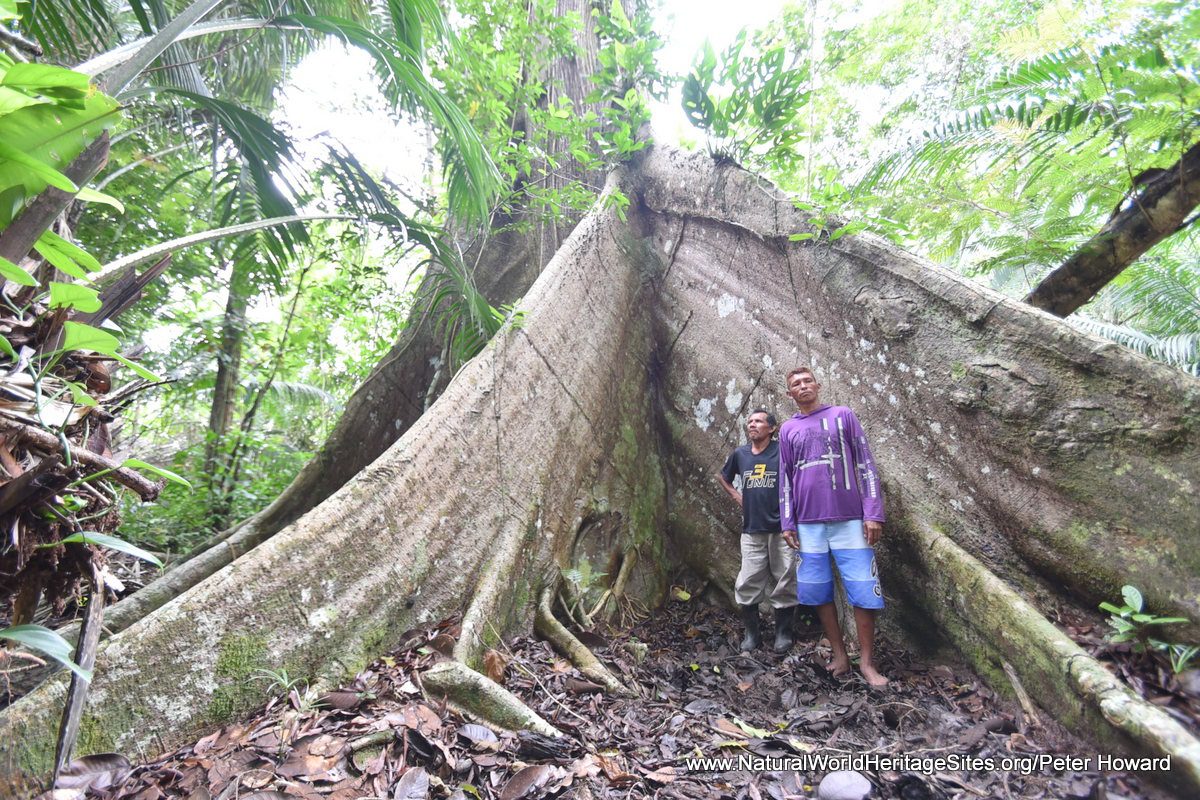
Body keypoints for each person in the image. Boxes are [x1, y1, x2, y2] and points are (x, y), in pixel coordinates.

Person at [778, 367, 888, 687]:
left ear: (818, 385)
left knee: (864, 590)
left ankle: (867, 663)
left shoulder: (843, 415)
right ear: (790, 394)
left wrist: (873, 513)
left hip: (850, 520)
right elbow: (784, 477)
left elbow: (865, 462)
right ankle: (840, 656)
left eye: (807, 381)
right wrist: (788, 521)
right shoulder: (787, 430)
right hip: (808, 525)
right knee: (819, 591)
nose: (803, 386)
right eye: (796, 384)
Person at [717, 409, 799, 653]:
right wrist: (736, 495)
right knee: (749, 578)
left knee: (785, 577)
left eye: (759, 421)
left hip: (782, 529)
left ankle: (783, 633)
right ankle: (752, 634)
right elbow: (724, 477)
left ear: (772, 428)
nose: (752, 425)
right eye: (750, 421)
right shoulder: (740, 454)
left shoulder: (782, 452)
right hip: (752, 529)